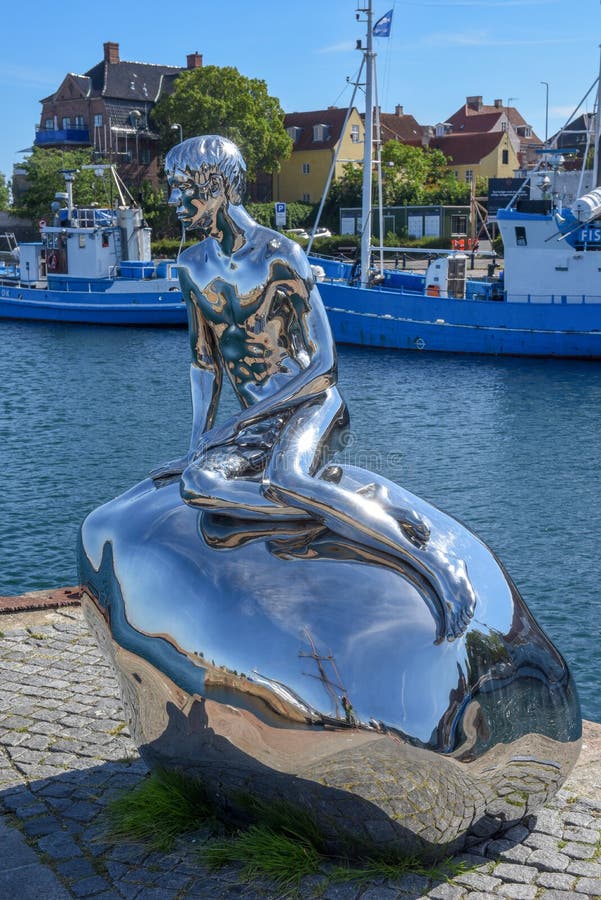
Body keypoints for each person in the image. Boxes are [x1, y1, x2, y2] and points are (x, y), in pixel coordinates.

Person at [155, 135, 475, 640]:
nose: (173, 203)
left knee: (285, 480)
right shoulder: (192, 265)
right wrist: (198, 444)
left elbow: (325, 364)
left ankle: (435, 565)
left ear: (215, 186)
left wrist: (235, 423)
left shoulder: (281, 255)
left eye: (181, 190)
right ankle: (357, 502)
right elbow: (204, 364)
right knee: (198, 485)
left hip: (311, 405)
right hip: (254, 427)